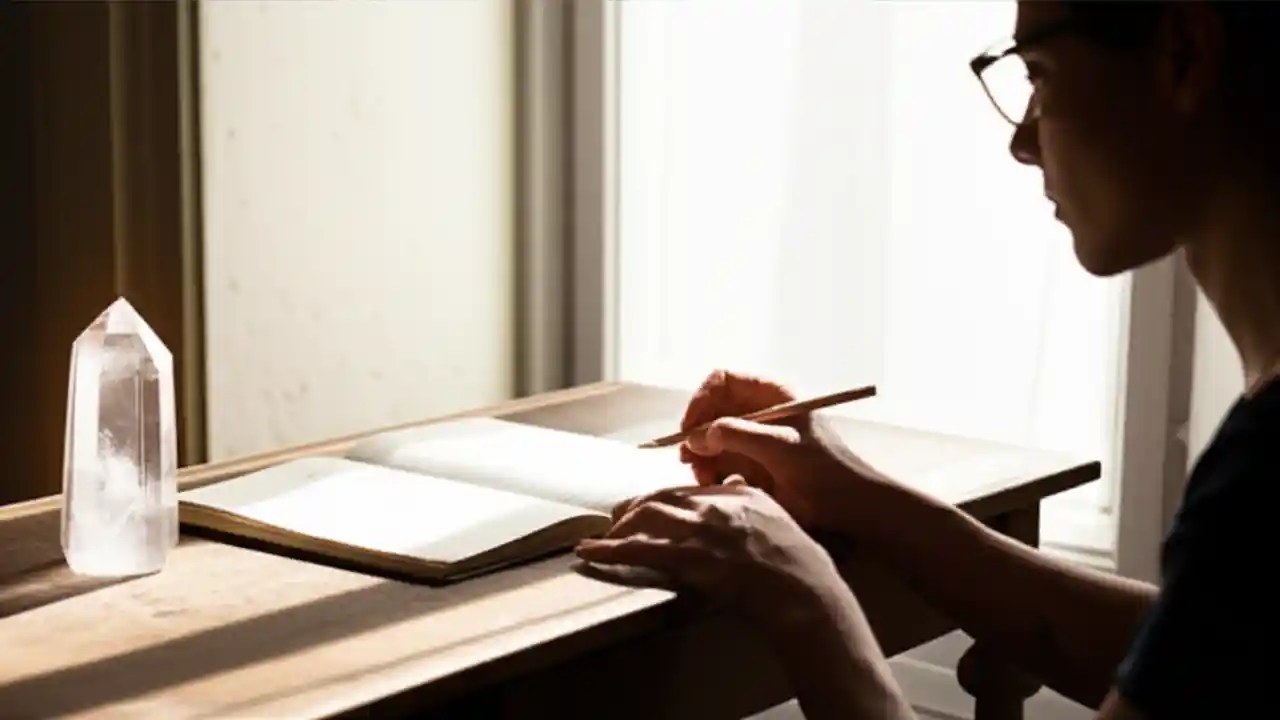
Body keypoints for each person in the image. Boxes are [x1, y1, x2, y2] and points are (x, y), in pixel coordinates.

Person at [575, 2, 1277, 718]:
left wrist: (802, 599)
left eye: (1039, 71)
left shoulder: (1264, 481)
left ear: (1184, 54)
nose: (1023, 141)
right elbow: (1208, 656)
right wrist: (858, 496)